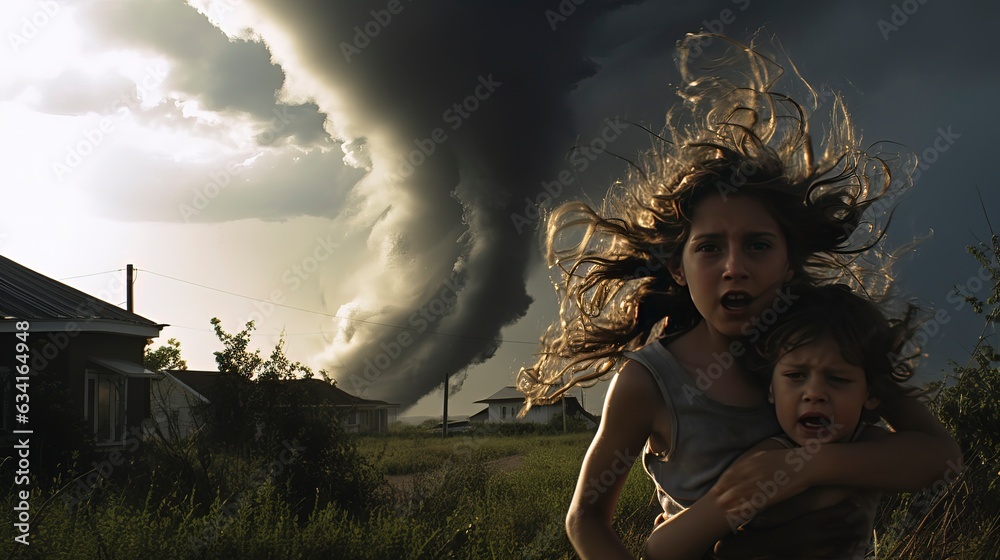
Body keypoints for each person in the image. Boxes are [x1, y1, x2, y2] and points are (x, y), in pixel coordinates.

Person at [515, 33, 962, 559]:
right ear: (678, 269)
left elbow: (940, 457)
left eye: (757, 245)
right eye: (709, 248)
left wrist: (805, 468)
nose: (734, 268)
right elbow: (585, 520)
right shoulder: (650, 381)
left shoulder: (833, 345)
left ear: (789, 260)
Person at [641, 284, 919, 560]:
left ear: (870, 394)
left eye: (838, 379)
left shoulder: (870, 442)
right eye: (796, 376)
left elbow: (936, 462)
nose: (814, 394)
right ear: (771, 389)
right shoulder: (772, 459)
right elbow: (660, 550)